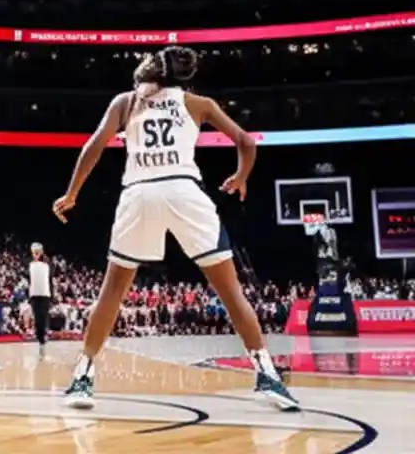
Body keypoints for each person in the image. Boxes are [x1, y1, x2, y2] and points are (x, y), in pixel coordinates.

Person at [51, 46, 298, 411]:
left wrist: (72, 193)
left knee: (112, 292)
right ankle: (267, 376)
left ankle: (83, 378)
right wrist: (241, 176)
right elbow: (246, 142)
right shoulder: (199, 103)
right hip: (184, 191)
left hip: (139, 193)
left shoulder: (126, 101)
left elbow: (94, 146)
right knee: (230, 292)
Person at [27, 242, 52, 354]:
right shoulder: (30, 265)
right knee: (37, 318)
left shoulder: (47, 265)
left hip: (45, 294)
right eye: (34, 252)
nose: (36, 254)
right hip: (34, 295)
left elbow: (50, 280)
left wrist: (52, 295)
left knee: (43, 316)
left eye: (38, 252)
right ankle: (40, 338)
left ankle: (43, 338)